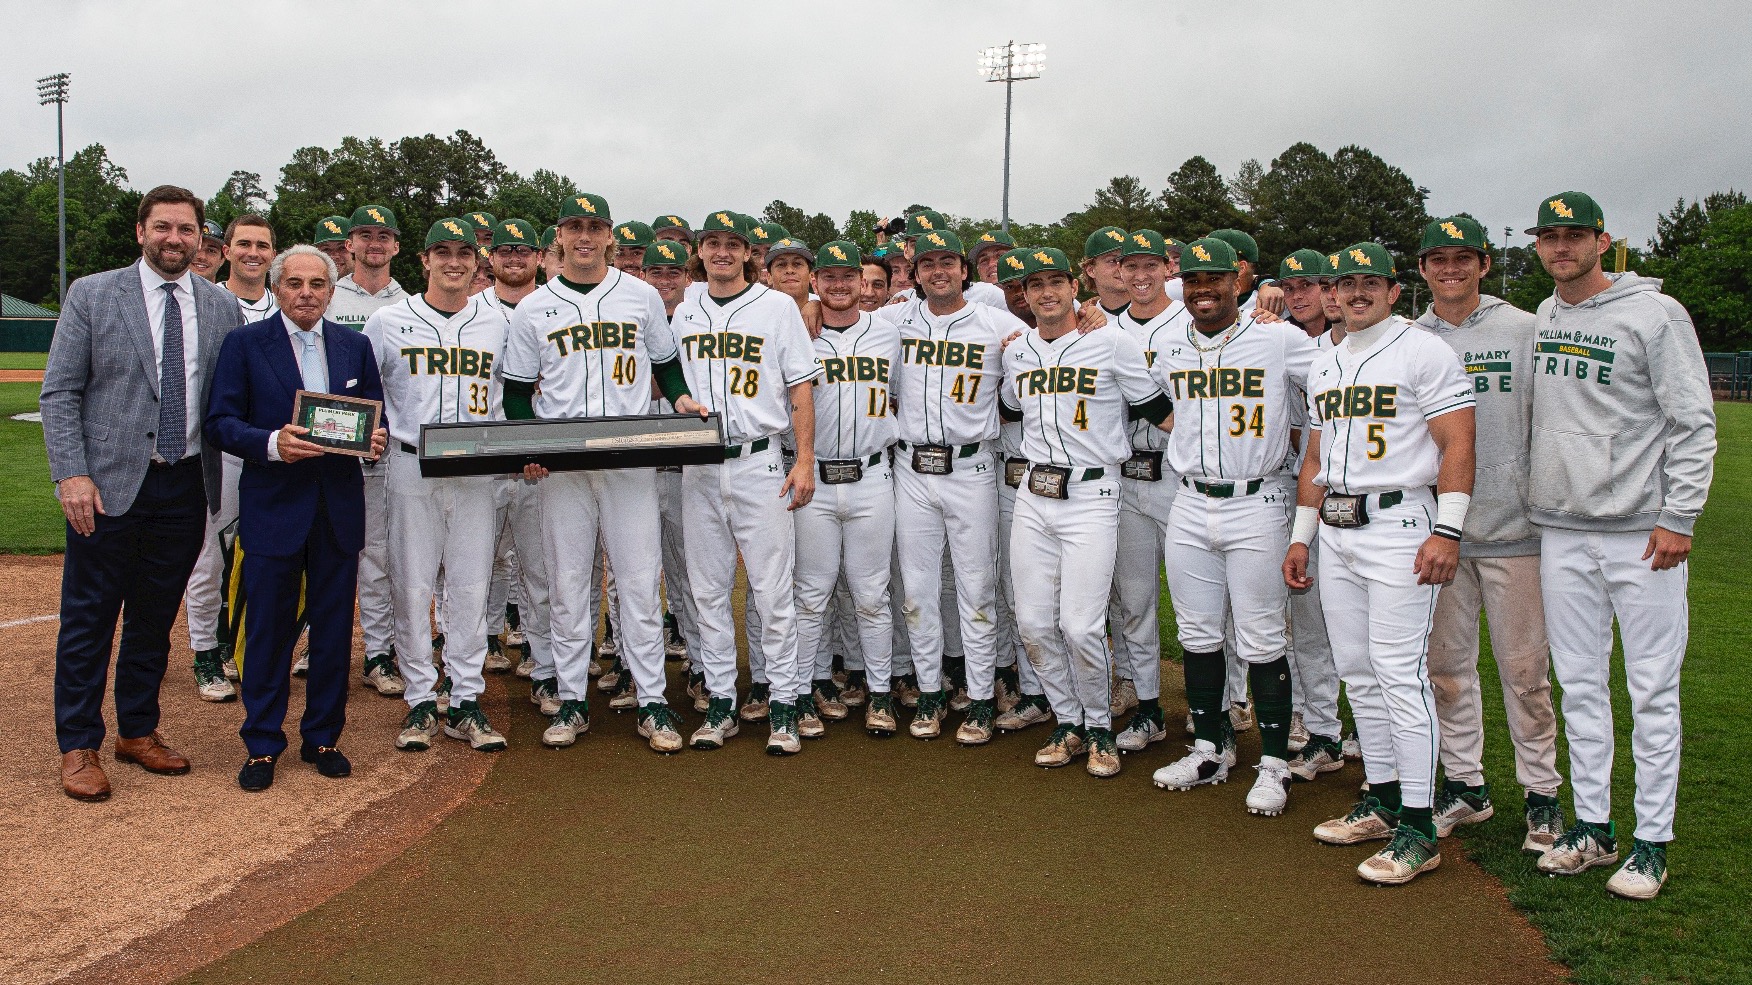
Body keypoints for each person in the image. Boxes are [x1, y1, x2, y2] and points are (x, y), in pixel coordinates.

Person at [1522, 192, 1716, 900]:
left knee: (1652, 690)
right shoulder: (1545, 314)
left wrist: (1680, 516)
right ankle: (1594, 826)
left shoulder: (1654, 314)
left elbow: (1692, 424)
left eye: (1573, 235)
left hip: (1641, 535)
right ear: (1538, 245)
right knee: (1579, 685)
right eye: (1549, 236)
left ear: (1602, 241)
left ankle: (1652, 841)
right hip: (1563, 530)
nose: (1561, 246)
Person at [43, 185, 245, 801]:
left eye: (186, 230)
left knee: (154, 619)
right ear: (141, 232)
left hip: (185, 483)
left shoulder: (220, 307)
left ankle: (137, 729)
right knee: (89, 618)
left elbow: (233, 400)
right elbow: (60, 392)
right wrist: (71, 473)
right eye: (163, 227)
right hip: (106, 487)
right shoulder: (93, 294)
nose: (174, 239)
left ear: (201, 239)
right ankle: (79, 743)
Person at [1284, 241, 1477, 885]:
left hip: (1402, 523)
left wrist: (1448, 531)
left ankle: (1419, 826)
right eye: (1347, 282)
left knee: (1399, 672)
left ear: (1395, 290)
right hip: (1338, 526)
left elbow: (1458, 442)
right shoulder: (1325, 360)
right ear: (1332, 292)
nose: (1357, 291)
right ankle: (1385, 795)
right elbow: (1314, 459)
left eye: (1371, 281)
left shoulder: (1423, 349)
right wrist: (1301, 535)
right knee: (1359, 671)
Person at [501, 194, 689, 755]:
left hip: (628, 460)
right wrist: (528, 447)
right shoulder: (536, 306)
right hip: (564, 466)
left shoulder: (640, 295)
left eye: (595, 226)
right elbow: (515, 393)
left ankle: (653, 700)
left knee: (637, 582)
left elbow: (666, 364)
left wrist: (681, 403)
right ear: (559, 237)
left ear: (609, 235)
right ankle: (571, 698)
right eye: (573, 227)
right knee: (568, 585)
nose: (584, 236)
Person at [205, 243, 387, 791]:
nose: (306, 293)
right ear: (278, 288)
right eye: (295, 284)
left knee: (332, 634)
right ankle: (262, 743)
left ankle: (323, 736)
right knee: (267, 633)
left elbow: (377, 417)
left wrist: (374, 441)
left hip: (337, 510)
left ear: (332, 291)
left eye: (317, 285)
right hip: (273, 508)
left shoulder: (355, 347)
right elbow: (219, 422)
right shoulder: (244, 344)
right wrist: (269, 443)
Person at [1147, 237, 1318, 816]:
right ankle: (1209, 747)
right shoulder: (1170, 341)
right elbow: (1151, 399)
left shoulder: (1277, 338)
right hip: (1191, 499)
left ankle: (1273, 763)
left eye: (1214, 279)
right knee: (1197, 634)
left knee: (1262, 636)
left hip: (1257, 499)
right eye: (1193, 280)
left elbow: (1332, 382)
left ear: (1238, 280)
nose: (1203, 290)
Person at [1411, 216, 1566, 853]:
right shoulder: (1407, 338)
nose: (1451, 270)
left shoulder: (1522, 329)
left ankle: (1543, 795)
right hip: (1436, 531)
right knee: (1446, 670)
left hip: (1514, 529)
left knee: (1526, 672)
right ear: (1421, 270)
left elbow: (1549, 421)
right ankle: (1466, 786)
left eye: (1462, 259)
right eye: (1437, 260)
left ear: (1483, 264)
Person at [999, 247, 1172, 777]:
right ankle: (1068, 720)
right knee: (1031, 620)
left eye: (1056, 281)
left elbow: (1160, 413)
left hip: (1094, 495)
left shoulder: (1111, 344)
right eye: (1035, 285)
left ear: (1076, 287)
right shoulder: (1017, 352)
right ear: (1023, 295)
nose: (1046, 293)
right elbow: (1009, 408)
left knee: (1080, 624)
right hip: (1033, 492)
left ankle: (1099, 726)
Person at [670, 210, 821, 754]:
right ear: (701, 252)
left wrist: (803, 460)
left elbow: (802, 387)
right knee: (707, 590)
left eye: (733, 245)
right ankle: (720, 704)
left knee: (772, 591)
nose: (722, 253)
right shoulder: (684, 311)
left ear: (749, 254)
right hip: (700, 464)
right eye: (713, 244)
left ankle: (783, 705)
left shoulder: (778, 307)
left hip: (760, 461)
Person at [362, 219, 513, 752]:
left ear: (478, 262)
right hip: (410, 466)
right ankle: (422, 701)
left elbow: (516, 392)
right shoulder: (388, 320)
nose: (454, 262)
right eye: (442, 252)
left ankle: (466, 701)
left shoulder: (496, 323)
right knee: (413, 584)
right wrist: (367, 433)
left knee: (470, 587)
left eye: (464, 253)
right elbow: (360, 389)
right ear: (423, 260)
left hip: (475, 469)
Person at [881, 228, 1028, 743]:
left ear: (964, 270)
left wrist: (1095, 315)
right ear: (915, 271)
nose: (937, 271)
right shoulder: (892, 320)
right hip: (912, 468)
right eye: (927, 263)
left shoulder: (997, 323)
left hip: (972, 467)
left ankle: (983, 698)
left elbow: (1057, 333)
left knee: (977, 587)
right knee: (918, 589)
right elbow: (837, 323)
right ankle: (930, 693)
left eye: (947, 261)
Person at [790, 241, 902, 736]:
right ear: (816, 282)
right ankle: (804, 690)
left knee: (872, 595)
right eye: (827, 277)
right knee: (811, 595)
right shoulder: (796, 330)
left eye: (847, 276)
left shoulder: (891, 330)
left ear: (863, 282)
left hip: (872, 477)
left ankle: (879, 695)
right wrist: (803, 309)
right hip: (812, 478)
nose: (838, 285)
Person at [186, 215, 280, 702]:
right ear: (225, 251)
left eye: (262, 245)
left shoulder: (283, 304)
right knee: (212, 551)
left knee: (268, 551)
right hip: (224, 446)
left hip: (274, 448)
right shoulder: (208, 302)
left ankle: (250, 645)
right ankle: (206, 649)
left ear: (272, 253)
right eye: (243, 243)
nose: (252, 252)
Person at [1107, 230, 1186, 753]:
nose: (1138, 276)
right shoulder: (1102, 327)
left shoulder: (1192, 323)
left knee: (1201, 603)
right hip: (1124, 474)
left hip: (1179, 475)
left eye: (1148, 266)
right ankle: (1149, 707)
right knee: (1134, 601)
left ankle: (1225, 703)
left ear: (1166, 268)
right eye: (1128, 267)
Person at [322, 204, 406, 694]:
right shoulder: (329, 297)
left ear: (396, 246)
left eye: (384, 236)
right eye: (365, 235)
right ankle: (319, 641)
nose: (374, 244)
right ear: (349, 244)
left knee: (380, 554)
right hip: (332, 442)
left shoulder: (410, 302)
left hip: (387, 446)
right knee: (324, 549)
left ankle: (379, 650)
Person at [1274, 249, 1345, 782]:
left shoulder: (1349, 343)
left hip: (1358, 495)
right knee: (1308, 619)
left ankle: (1353, 725)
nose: (1300, 295)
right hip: (1300, 489)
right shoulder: (1281, 336)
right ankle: (1318, 723)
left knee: (1355, 628)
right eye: (1290, 286)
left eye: (1311, 285)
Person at [476, 218, 551, 682]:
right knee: (476, 564)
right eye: (504, 250)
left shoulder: (554, 305)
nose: (514, 257)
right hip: (486, 452)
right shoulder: (471, 311)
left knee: (540, 569)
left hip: (540, 455)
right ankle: (475, 653)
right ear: (491, 258)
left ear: (540, 257)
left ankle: (545, 666)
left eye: (524, 250)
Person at [313, 215, 354, 281]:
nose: (335, 256)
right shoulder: (306, 289)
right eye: (326, 249)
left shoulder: (371, 287)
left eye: (342, 248)